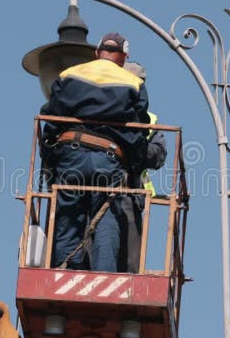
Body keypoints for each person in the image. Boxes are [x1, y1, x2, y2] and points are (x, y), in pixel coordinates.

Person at [40, 32, 149, 272]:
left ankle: (67, 274)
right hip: (109, 157)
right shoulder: (133, 83)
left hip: (71, 152)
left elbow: (52, 115)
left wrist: (49, 156)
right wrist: (133, 164)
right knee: (107, 219)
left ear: (96, 52)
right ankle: (103, 276)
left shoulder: (69, 75)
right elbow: (138, 129)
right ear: (123, 57)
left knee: (68, 218)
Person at [118, 62, 167, 273]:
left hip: (132, 193)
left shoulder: (149, 120)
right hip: (99, 188)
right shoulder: (103, 110)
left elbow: (158, 156)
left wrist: (135, 149)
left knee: (130, 261)